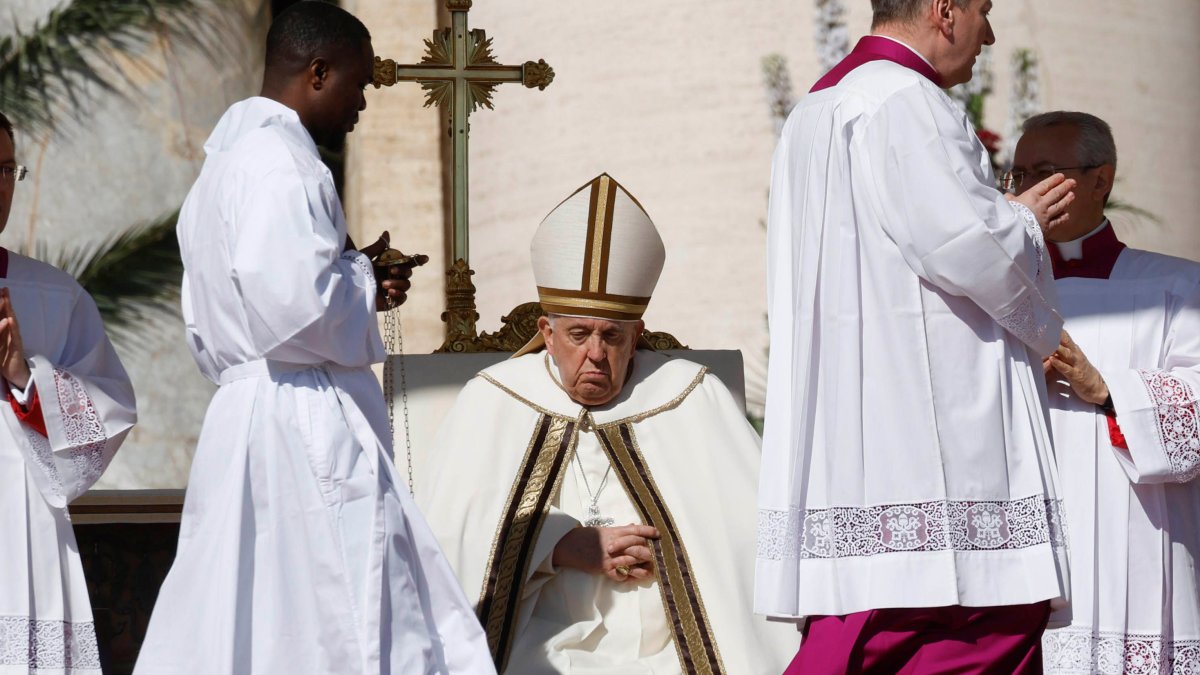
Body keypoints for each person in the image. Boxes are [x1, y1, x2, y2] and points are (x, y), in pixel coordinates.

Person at [134, 3, 492, 673]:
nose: (361, 105)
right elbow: (295, 311)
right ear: (318, 72)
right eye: (357, 86)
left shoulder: (223, 170)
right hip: (297, 419)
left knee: (254, 614)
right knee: (331, 616)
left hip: (251, 416)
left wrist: (357, 270)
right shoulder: (283, 163)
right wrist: (362, 282)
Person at [756, 0, 1082, 671]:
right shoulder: (910, 103)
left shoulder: (815, 111)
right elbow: (966, 248)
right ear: (945, 10)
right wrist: (1022, 220)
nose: (989, 34)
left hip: (852, 442)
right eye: (984, 12)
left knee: (862, 632)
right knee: (958, 632)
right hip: (930, 452)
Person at [417, 173, 800, 673]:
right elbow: (444, 542)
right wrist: (556, 546)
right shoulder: (493, 400)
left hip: (674, 651)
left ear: (637, 333)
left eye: (613, 336)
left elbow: (749, 539)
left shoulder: (690, 394)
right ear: (546, 334)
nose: (596, 354)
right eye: (578, 334)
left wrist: (676, 549)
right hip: (534, 645)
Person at [1007, 112, 1200, 673]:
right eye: (1018, 176)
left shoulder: (1176, 287)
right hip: (1024, 538)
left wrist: (1109, 389)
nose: (1028, 191)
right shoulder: (992, 292)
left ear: (1101, 180)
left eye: (1046, 172)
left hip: (1135, 535)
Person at [0, 111, 137, 674]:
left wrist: (22, 378)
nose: (0, 184)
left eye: (8, 169)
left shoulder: (54, 296)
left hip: (17, 535)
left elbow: (109, 414)